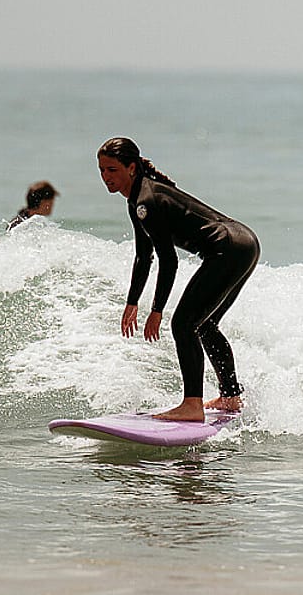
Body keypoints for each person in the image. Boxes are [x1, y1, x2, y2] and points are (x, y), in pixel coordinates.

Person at [97, 137, 259, 422]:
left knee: (183, 324)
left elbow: (168, 260)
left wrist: (157, 310)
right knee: (204, 324)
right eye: (101, 170)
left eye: (112, 170)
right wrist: (132, 302)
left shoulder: (146, 200)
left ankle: (192, 405)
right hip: (243, 244)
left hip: (228, 250)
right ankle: (230, 397)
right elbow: (143, 256)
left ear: (131, 168)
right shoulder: (138, 200)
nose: (105, 177)